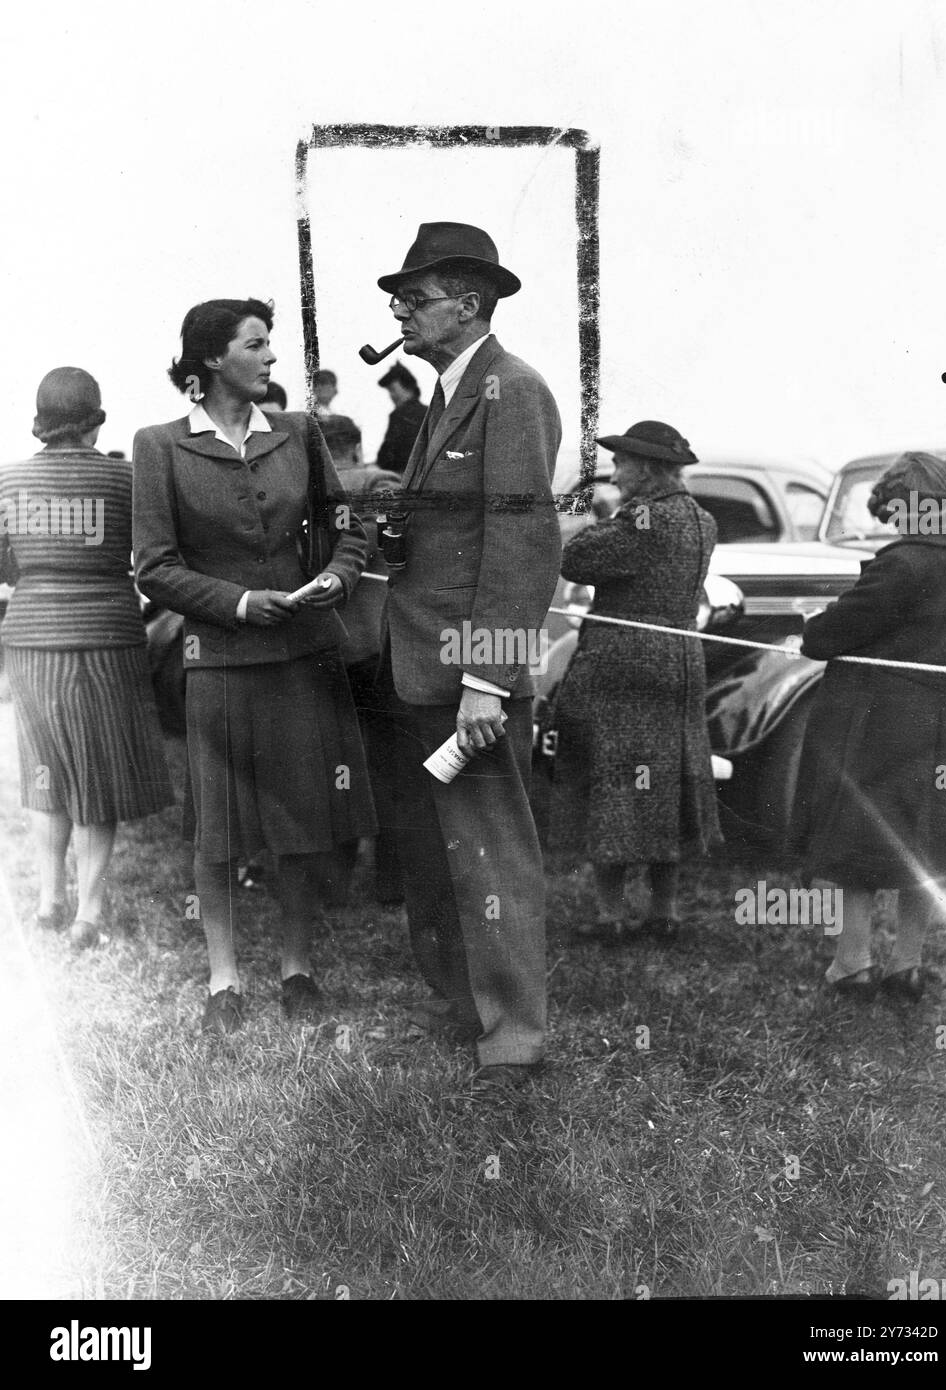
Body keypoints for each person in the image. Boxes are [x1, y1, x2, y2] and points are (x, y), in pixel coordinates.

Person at [132, 298, 376, 1035]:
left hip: (303, 657)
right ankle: (223, 979)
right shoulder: (159, 445)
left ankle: (297, 969)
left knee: (302, 821)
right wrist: (238, 604)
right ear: (211, 359)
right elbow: (154, 567)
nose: (272, 358)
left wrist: (340, 573)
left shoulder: (299, 435)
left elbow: (347, 527)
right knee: (220, 828)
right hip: (219, 660)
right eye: (257, 344)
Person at [376, 221, 562, 1090]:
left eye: (415, 298)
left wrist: (488, 680)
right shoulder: (452, 393)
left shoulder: (510, 392)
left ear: (470, 302)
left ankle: (515, 1038)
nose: (400, 311)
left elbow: (525, 546)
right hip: (424, 663)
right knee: (440, 847)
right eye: (399, 299)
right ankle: (466, 1004)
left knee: (491, 850)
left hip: (467, 674)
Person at [790, 452, 946, 1002]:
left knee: (861, 839)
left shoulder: (903, 564)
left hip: (879, 722)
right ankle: (907, 966)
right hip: (942, 719)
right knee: (923, 846)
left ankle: (851, 965)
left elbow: (824, 639)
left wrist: (812, 626)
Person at [0, 368, 173, 948]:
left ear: (41, 421)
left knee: (44, 772)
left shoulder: (7, 481)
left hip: (33, 636)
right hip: (109, 633)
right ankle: (89, 912)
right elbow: (154, 558)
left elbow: (3, 568)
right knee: (97, 774)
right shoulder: (126, 479)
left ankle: (49, 900)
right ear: (96, 418)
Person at [551, 421, 722, 945]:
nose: (615, 471)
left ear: (647, 469)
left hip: (627, 665)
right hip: (680, 661)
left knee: (617, 786)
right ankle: (663, 913)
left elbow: (576, 560)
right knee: (667, 785)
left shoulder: (645, 518)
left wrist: (597, 516)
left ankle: (610, 915)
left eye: (622, 463)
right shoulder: (701, 518)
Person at [322, 418, 404, 906]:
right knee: (392, 766)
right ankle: (391, 881)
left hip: (328, 651)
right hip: (377, 648)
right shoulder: (379, 482)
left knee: (337, 766)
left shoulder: (309, 490)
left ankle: (333, 882)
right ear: (357, 446)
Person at [376, 362, 426, 473]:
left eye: (393, 389)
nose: (391, 396)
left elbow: (385, 458)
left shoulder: (399, 415)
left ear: (408, 388)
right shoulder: (430, 411)